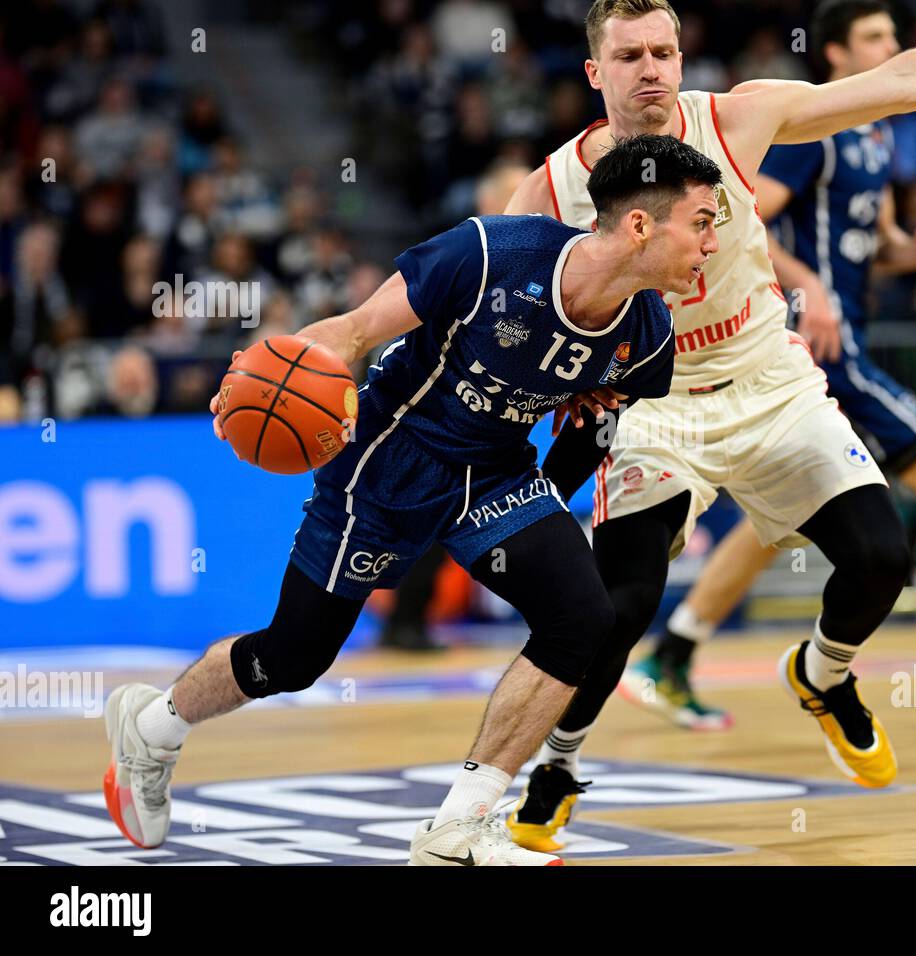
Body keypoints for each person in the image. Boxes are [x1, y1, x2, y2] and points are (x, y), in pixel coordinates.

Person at [503, 0, 916, 851]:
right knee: (623, 604)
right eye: (630, 55)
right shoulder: (551, 186)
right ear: (595, 72)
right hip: (651, 398)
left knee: (879, 558)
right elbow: (492, 298)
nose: (650, 68)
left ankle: (823, 675)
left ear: (683, 60)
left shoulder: (737, 117)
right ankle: (560, 764)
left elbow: (903, 82)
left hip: (766, 374)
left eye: (664, 51)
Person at [101, 134, 723, 867]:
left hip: (494, 473)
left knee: (582, 616)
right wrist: (265, 377)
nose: (716, 241)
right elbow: (353, 332)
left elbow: (590, 433)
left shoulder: (648, 337)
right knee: (294, 658)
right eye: (705, 221)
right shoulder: (493, 254)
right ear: (642, 225)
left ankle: (455, 829)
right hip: (387, 460)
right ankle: (154, 724)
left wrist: (533, 526)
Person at [622, 0, 916, 734]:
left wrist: (915, 252)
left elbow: (877, 241)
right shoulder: (806, 136)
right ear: (834, 55)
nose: (891, 44)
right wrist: (810, 286)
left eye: (893, 35)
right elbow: (733, 215)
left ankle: (671, 653)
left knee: (779, 518)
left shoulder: (877, 135)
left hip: (838, 341)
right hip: (811, 346)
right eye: (874, 37)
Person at [377, 160, 535, 652]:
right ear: (486, 203)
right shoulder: (462, 253)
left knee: (446, 520)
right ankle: (399, 621)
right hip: (430, 406)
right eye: (513, 192)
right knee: (416, 517)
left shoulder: (538, 261)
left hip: (483, 418)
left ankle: (408, 620)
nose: (527, 201)